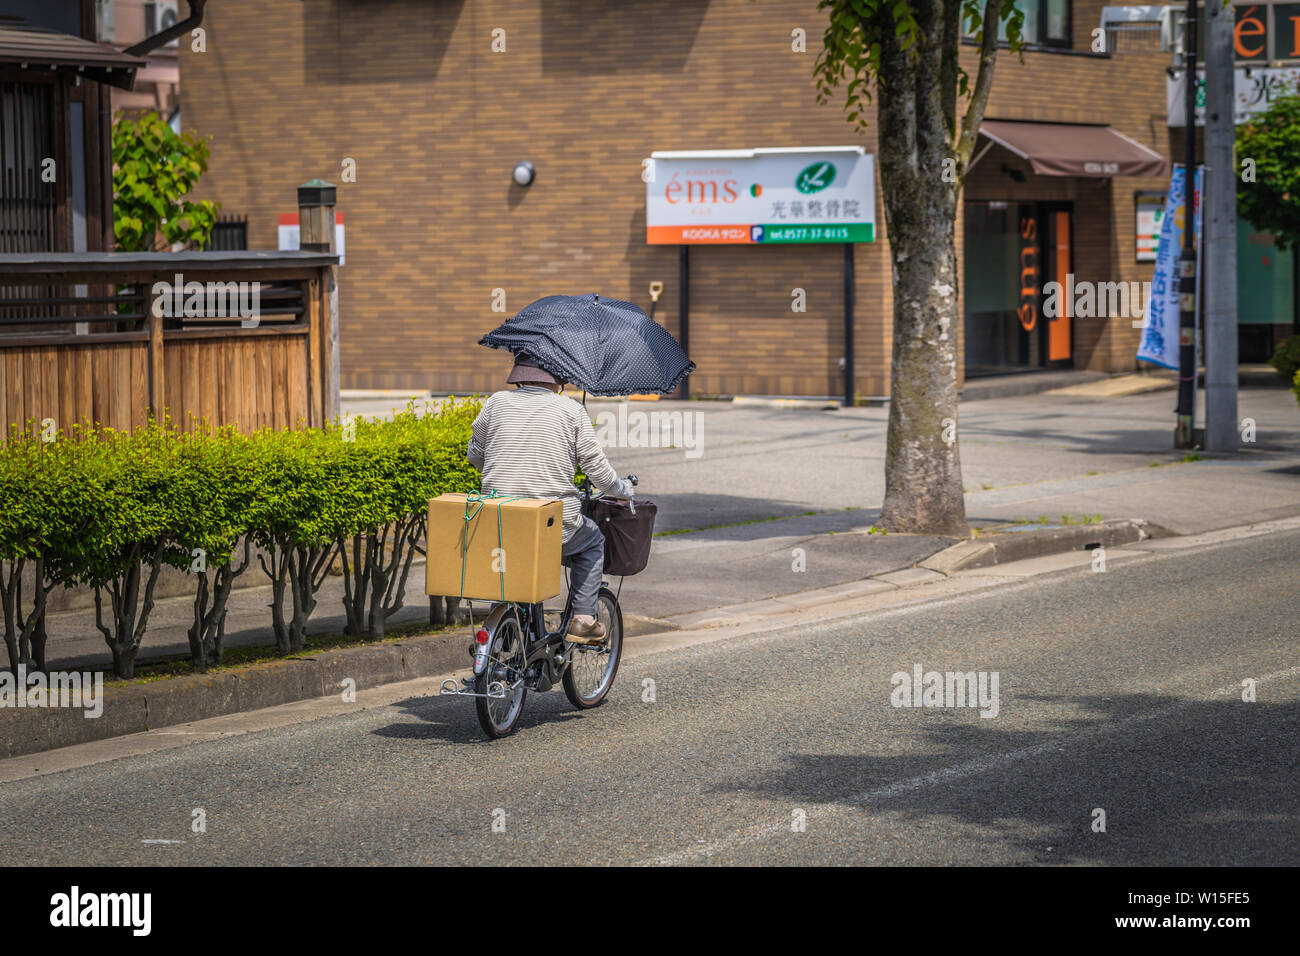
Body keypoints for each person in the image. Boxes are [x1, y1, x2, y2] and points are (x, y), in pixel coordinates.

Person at [466, 355, 634, 643]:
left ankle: (503, 630)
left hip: (499, 516)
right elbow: (598, 473)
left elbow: (475, 453)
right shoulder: (571, 410)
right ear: (559, 378)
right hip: (551, 522)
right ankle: (582, 618)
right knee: (592, 542)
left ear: (519, 374)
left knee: (510, 553)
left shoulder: (495, 402)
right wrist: (623, 489)